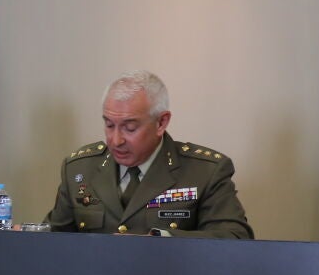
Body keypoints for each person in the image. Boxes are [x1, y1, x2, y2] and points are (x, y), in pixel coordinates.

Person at [43, 70, 253, 238]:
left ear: (161, 122)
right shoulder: (79, 169)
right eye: (109, 125)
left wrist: (160, 241)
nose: (116, 140)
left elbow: (234, 238)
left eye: (130, 128)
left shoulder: (205, 172)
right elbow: (52, 239)